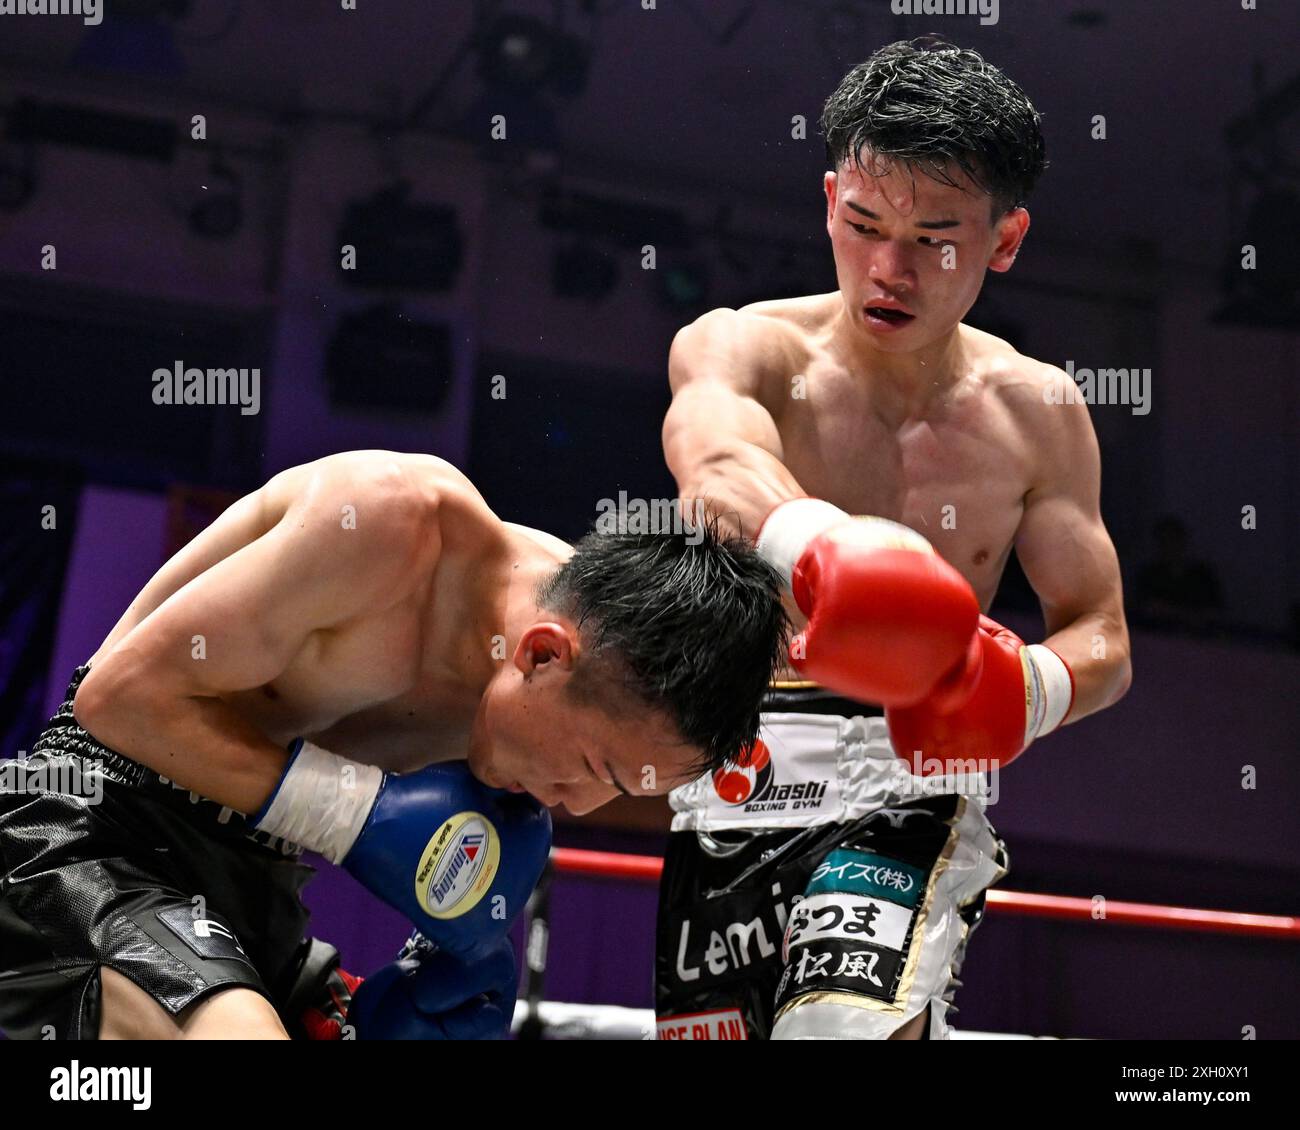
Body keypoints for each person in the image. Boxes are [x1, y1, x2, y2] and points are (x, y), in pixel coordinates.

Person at [655, 38, 1133, 1041]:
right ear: (829, 198)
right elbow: (716, 468)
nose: (888, 268)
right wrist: (822, 550)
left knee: (836, 1029)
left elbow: (1103, 636)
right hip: (737, 781)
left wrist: (1025, 687)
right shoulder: (742, 343)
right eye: (863, 223)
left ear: (1003, 242)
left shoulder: (1037, 411)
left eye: (934, 238)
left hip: (909, 786)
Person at [0, 449, 789, 1039]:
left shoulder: (549, 707)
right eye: (594, 766)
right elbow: (116, 701)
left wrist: (434, 977)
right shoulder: (384, 529)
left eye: (623, 787)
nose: (581, 803)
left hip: (251, 891)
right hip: (89, 835)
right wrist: (349, 813)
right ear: (543, 654)